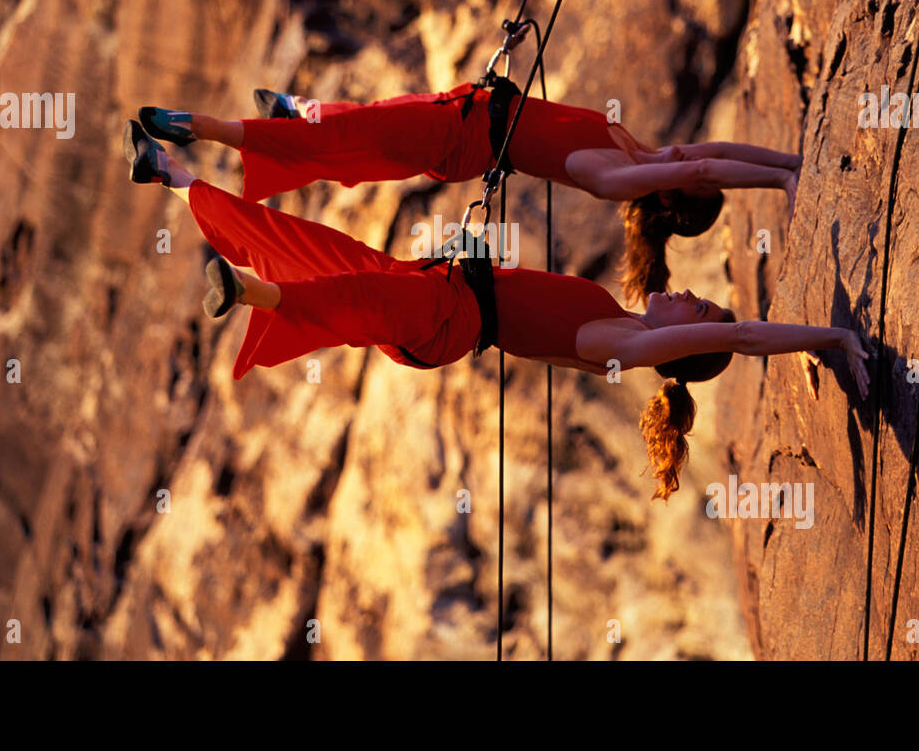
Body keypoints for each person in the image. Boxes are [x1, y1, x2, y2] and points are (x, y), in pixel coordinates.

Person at [124, 123, 869, 500]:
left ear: (683, 341)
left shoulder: (626, 346)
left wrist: (833, 336)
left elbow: (740, 334)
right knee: (314, 247)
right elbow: (686, 155)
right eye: (698, 296)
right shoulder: (613, 314)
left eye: (695, 306)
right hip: (445, 290)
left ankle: (250, 293)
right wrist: (781, 163)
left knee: (361, 297)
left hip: (443, 321)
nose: (684, 293)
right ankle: (175, 176)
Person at [136, 83, 802, 306]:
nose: (689, 156)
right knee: (354, 143)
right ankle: (283, 114)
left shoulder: (612, 176)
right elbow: (707, 158)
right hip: (464, 108)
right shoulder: (630, 143)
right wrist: (786, 163)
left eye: (686, 177)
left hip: (459, 141)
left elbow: (701, 169)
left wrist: (780, 180)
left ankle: (183, 147)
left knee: (347, 148)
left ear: (669, 196)